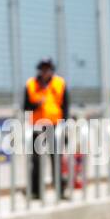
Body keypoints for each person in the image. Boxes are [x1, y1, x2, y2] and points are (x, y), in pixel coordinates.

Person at [23, 59, 68, 199]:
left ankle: (60, 191)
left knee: (57, 158)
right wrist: (37, 104)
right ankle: (35, 191)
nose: (45, 72)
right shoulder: (31, 84)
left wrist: (64, 125)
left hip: (55, 126)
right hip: (37, 127)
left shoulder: (60, 83)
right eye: (42, 69)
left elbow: (65, 106)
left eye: (48, 69)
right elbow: (25, 107)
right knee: (35, 160)